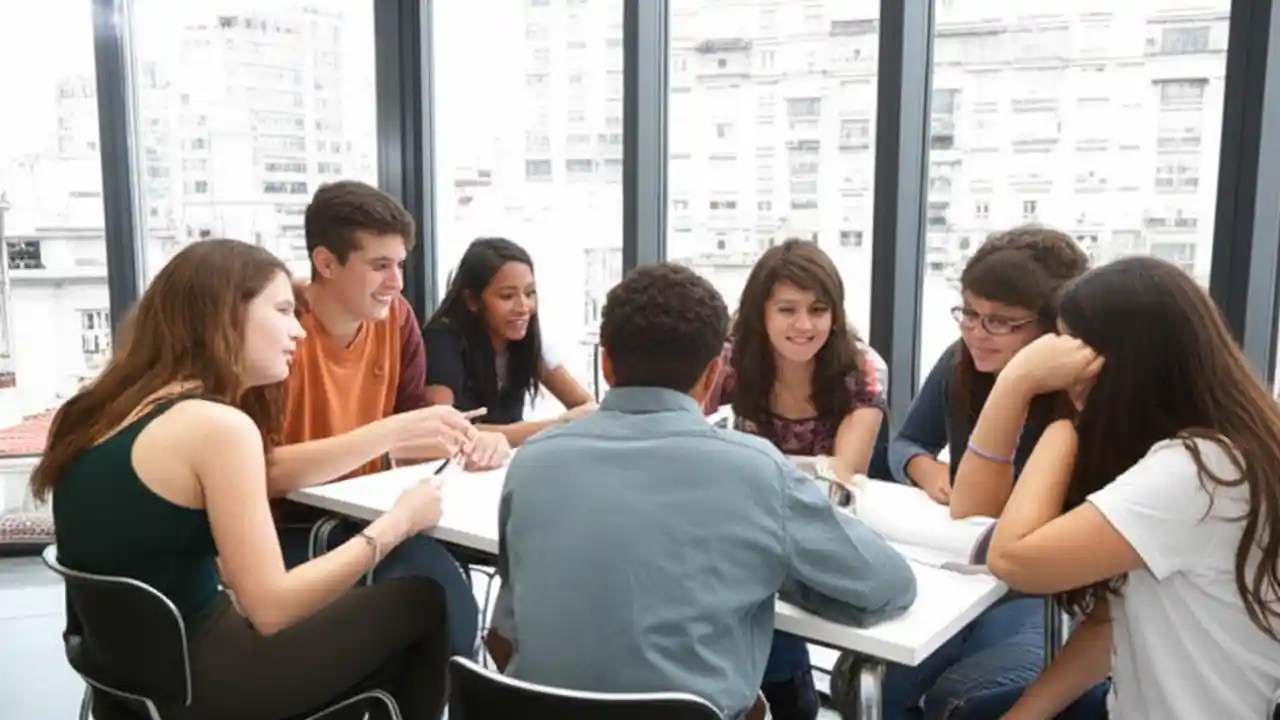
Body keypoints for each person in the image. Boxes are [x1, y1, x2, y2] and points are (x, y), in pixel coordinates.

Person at [36, 239, 474, 719]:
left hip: (128, 683)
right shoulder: (217, 427)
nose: (299, 332)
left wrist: (392, 433)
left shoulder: (94, 412)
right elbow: (272, 608)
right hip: (210, 685)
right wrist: (398, 523)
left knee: (372, 642)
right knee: (422, 600)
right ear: (226, 315)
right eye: (284, 310)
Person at [492, 263, 917, 720]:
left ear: (606, 362)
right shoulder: (756, 471)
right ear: (714, 372)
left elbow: (504, 635)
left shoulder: (532, 463)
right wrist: (771, 573)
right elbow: (886, 586)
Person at [977, 257, 1280, 719]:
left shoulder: (1199, 472)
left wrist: (1049, 410)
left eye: (1075, 353)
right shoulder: (1232, 444)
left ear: (1125, 363)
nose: (1065, 373)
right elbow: (1110, 621)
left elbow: (1014, 560)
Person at [878, 227, 1104, 720]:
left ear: (1053, 330)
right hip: (968, 569)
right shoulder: (961, 362)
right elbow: (909, 444)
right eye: (970, 314)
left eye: (1002, 322)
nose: (978, 332)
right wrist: (927, 470)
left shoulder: (1083, 402)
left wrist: (1017, 383)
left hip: (1046, 591)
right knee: (887, 679)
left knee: (960, 695)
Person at [270, 180, 490, 658]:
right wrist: (390, 434)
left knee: (447, 605)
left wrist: (466, 440)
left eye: (400, 265)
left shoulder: (397, 320)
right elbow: (260, 472)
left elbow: (407, 435)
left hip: (365, 514)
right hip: (281, 529)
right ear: (326, 263)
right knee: (434, 604)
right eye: (380, 266)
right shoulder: (278, 332)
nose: (397, 282)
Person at [703, 239, 888, 719]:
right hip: (740, 528)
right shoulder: (728, 362)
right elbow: (685, 430)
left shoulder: (860, 369)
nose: (803, 325)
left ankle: (786, 696)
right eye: (787, 309)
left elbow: (843, 473)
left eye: (817, 309)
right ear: (759, 312)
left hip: (818, 523)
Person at [424, 237, 596, 451]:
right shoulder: (442, 340)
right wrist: (556, 426)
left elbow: (588, 408)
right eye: (507, 296)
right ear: (472, 300)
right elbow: (440, 430)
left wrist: (564, 424)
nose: (523, 306)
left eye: (530, 293)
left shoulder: (527, 341)